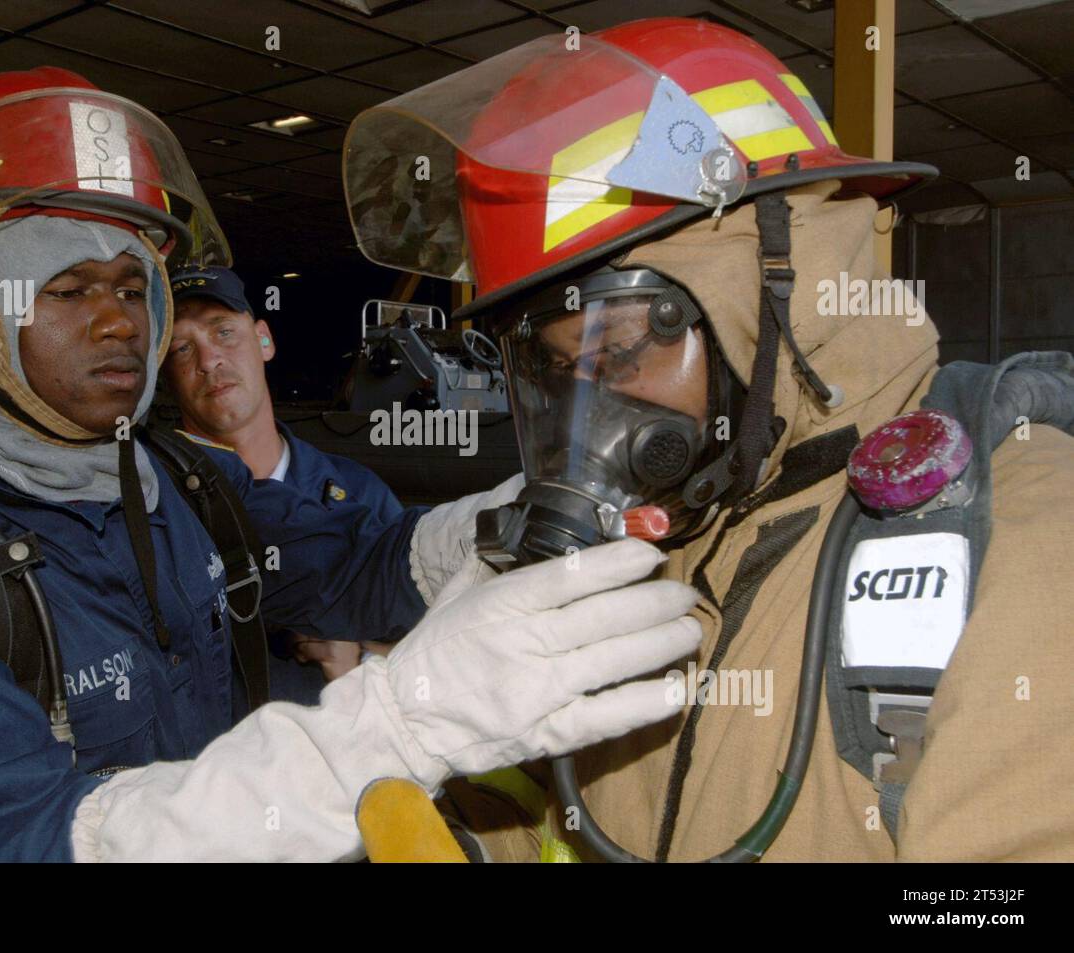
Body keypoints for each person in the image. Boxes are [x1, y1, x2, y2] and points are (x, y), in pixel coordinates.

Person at [0, 67, 704, 862]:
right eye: (66, 289)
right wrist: (393, 727)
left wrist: (537, 500)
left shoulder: (181, 484)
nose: (118, 323)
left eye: (130, 286)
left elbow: (353, 565)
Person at [342, 17, 1074, 861]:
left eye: (616, 354)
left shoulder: (1017, 535)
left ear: (775, 283)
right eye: (558, 373)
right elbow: (562, 809)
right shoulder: (672, 531)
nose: (596, 432)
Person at [163, 266, 397, 699]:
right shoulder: (160, 515)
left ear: (264, 340)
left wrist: (363, 661)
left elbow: (430, 646)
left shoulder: (359, 494)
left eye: (224, 333)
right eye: (181, 348)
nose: (209, 360)